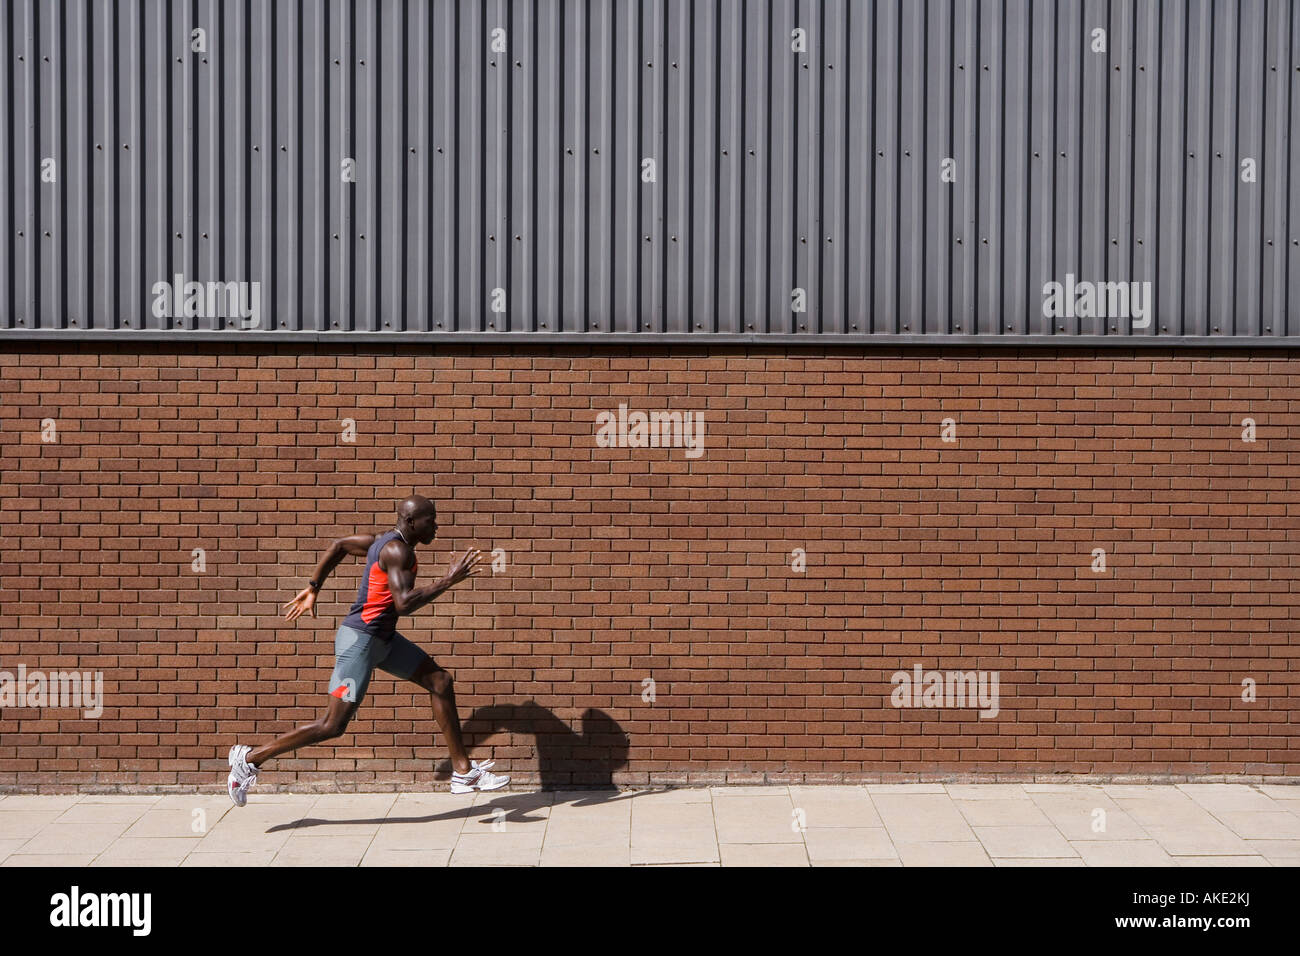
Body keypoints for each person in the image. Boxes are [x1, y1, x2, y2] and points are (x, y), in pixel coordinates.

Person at [225, 494, 508, 805]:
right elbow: (403, 605)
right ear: (412, 522)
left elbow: (339, 546)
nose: (436, 526)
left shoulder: (382, 541)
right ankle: (249, 758)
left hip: (382, 641)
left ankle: (463, 771)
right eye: (431, 520)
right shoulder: (396, 549)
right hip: (360, 642)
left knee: (440, 681)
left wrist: (313, 587)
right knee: (332, 726)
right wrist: (448, 580)